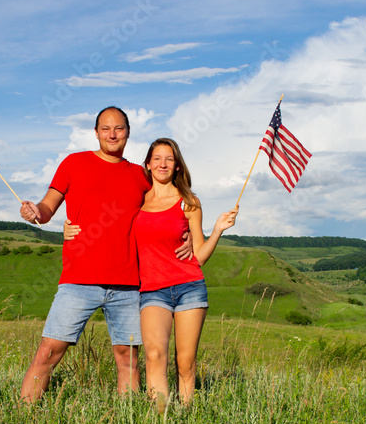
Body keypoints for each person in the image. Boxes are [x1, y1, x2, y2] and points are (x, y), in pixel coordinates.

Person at [18, 107, 189, 403]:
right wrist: (37, 213)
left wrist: (186, 233)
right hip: (79, 279)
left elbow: (168, 201)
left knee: (129, 360)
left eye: (119, 128)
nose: (112, 134)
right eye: (106, 128)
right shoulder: (74, 163)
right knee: (48, 351)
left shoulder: (139, 174)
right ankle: (23, 415)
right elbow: (47, 207)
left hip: (129, 285)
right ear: (96, 132)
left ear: (128, 132)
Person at [66, 137, 237, 405]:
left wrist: (217, 230)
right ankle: (161, 420)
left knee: (186, 361)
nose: (163, 164)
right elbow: (105, 220)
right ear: (148, 164)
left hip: (189, 287)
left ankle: (187, 417)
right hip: (152, 290)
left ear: (177, 166)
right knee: (155, 354)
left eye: (169, 159)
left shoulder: (188, 202)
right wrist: (67, 229)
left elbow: (199, 256)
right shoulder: (137, 200)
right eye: (157, 158)